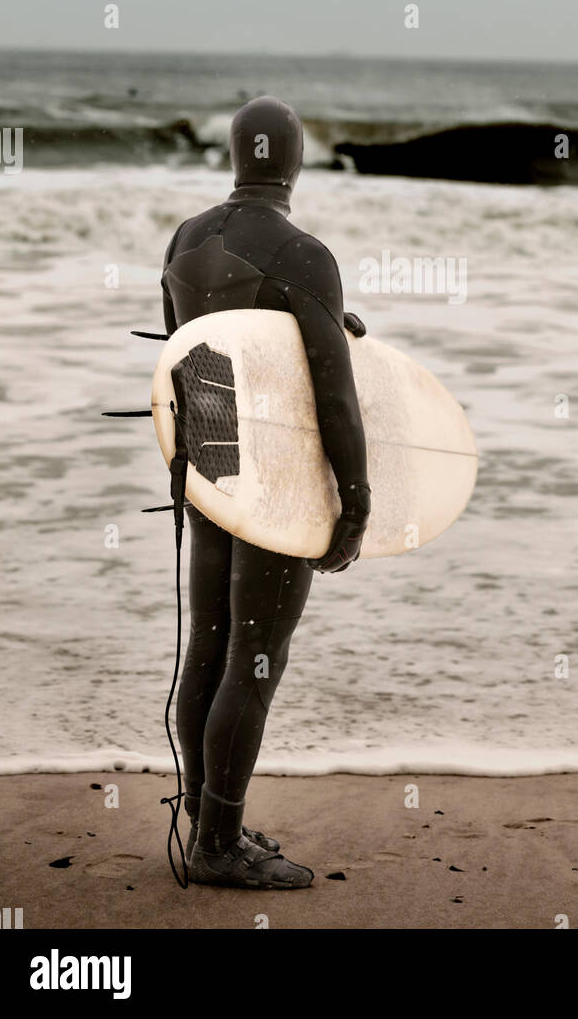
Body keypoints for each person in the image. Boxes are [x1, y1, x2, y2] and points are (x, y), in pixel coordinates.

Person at [160, 95, 370, 889]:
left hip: (209, 458)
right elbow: (335, 398)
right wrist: (356, 500)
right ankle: (219, 845)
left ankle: (206, 821)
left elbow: (190, 357)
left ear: (236, 159)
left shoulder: (187, 239)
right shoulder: (303, 252)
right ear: (297, 162)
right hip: (278, 474)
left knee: (210, 641)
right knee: (256, 651)